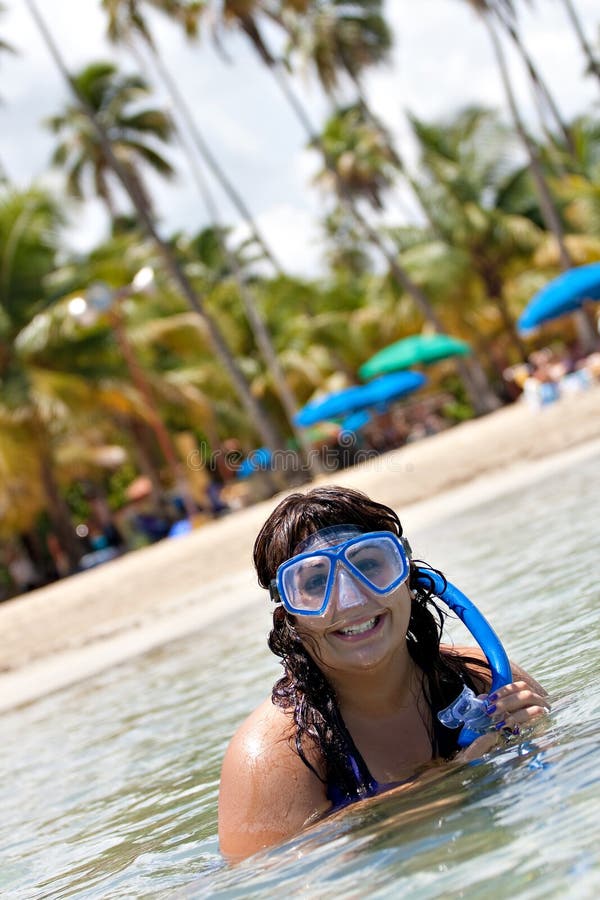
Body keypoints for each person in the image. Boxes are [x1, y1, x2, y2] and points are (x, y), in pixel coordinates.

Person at [218, 486, 550, 861]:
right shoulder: (272, 757)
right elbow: (271, 878)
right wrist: (454, 777)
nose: (351, 600)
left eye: (368, 565)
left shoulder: (483, 678)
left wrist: (537, 729)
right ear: (289, 617)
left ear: (408, 577)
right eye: (315, 583)